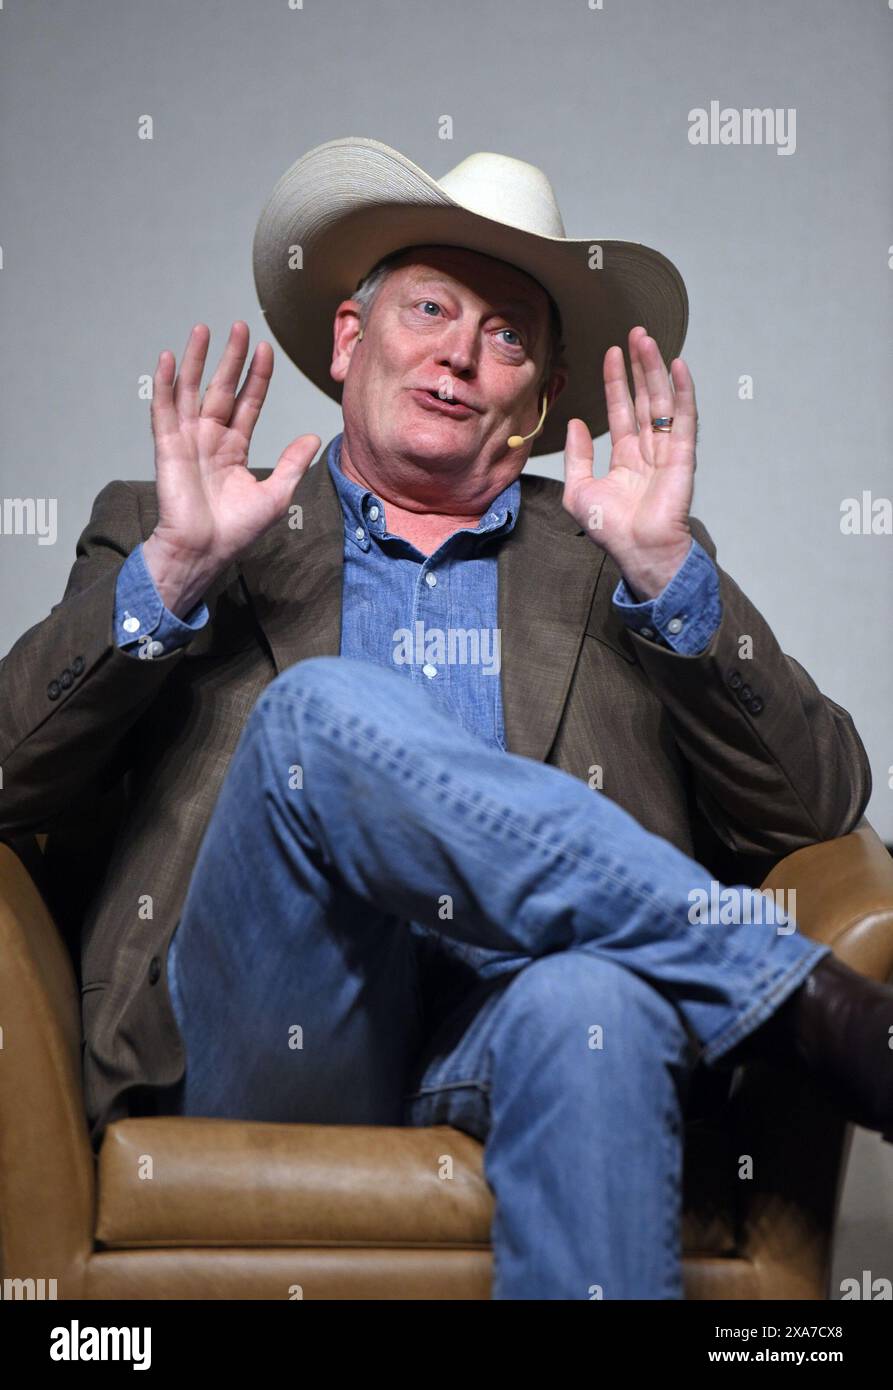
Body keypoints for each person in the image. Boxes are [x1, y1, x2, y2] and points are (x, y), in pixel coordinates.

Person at [0, 137, 889, 1300]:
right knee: (315, 717)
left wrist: (673, 583)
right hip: (278, 1034)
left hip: (519, 1026)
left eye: (509, 331)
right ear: (348, 340)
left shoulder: (616, 557)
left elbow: (816, 803)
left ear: (545, 396)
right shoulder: (182, 526)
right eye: (429, 306)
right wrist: (169, 576)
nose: (461, 353)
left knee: (596, 1002)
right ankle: (804, 1007)